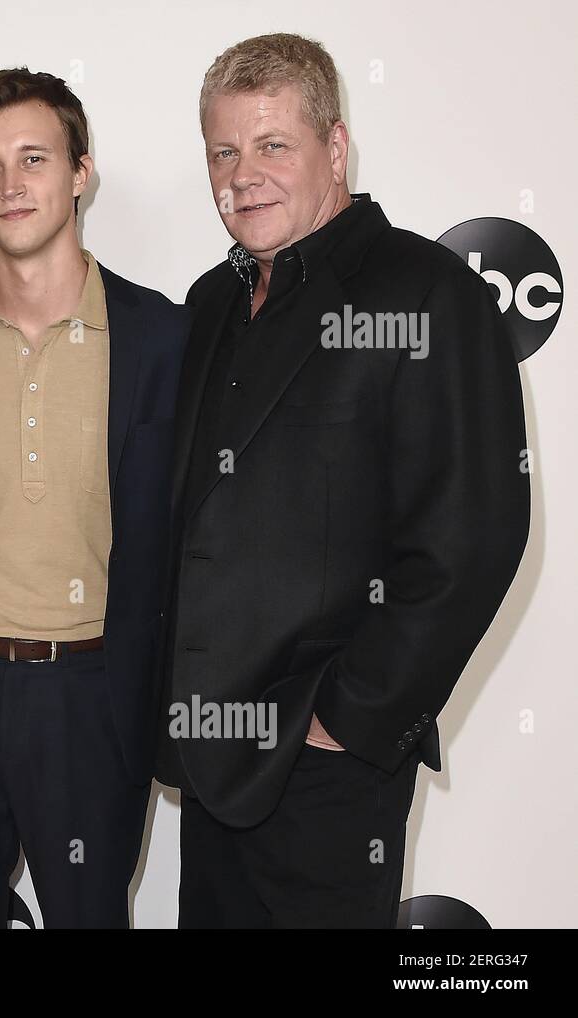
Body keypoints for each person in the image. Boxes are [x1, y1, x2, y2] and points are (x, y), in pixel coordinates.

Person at [157, 33, 530, 927]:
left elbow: (471, 539)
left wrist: (347, 723)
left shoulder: (430, 294)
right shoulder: (210, 301)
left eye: (272, 145)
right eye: (224, 151)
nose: (243, 175)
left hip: (323, 768)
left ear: (335, 148)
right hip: (211, 760)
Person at [0, 68, 188, 927]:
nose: (10, 185)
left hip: (92, 698)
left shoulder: (163, 335)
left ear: (80, 172)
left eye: (33, 158)